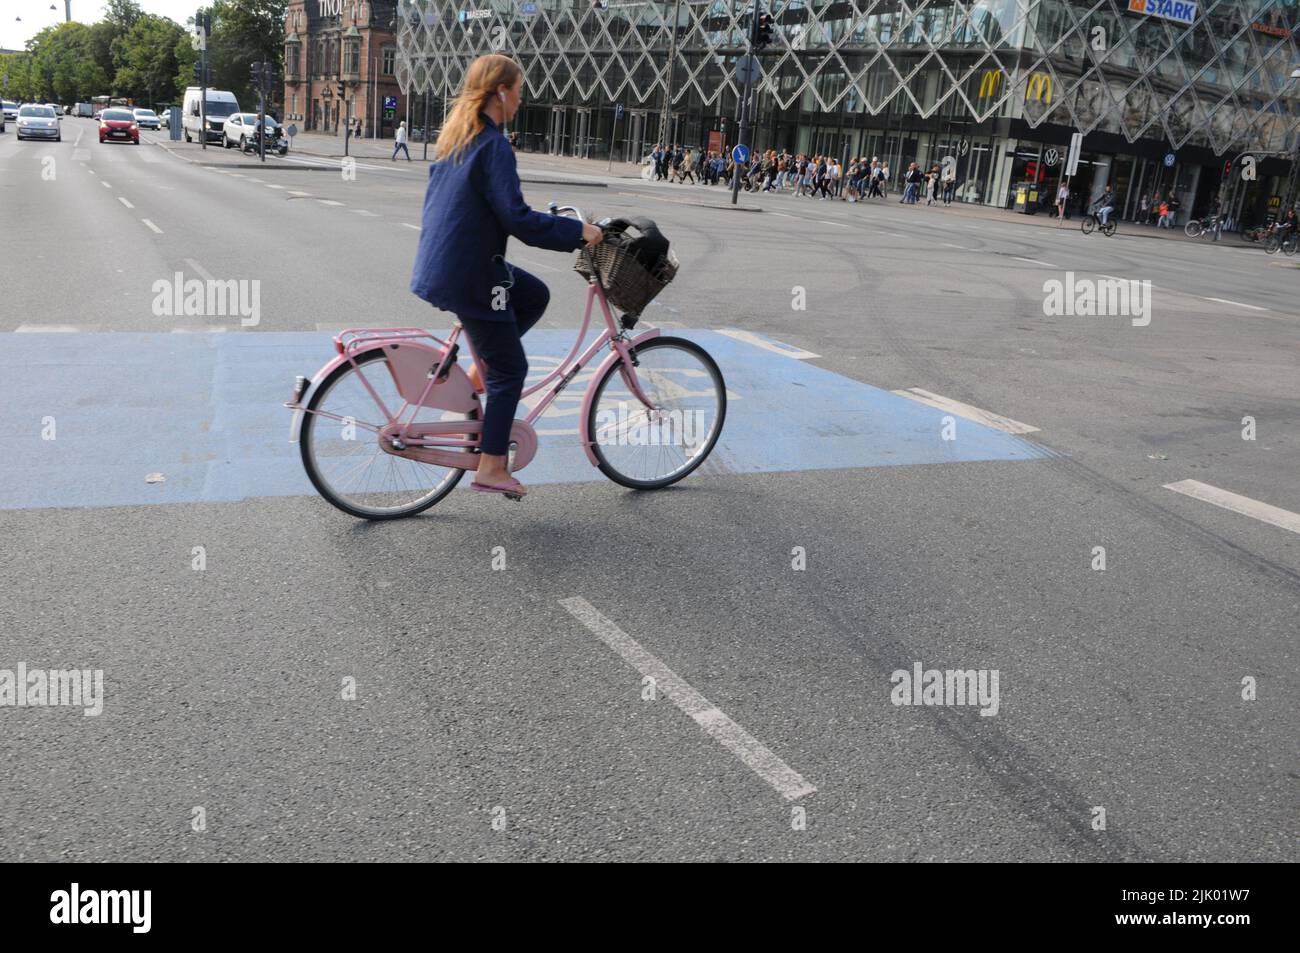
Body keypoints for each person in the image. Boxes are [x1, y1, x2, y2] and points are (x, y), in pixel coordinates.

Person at [410, 53, 604, 498]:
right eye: (518, 89)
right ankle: (491, 466)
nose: (521, 98)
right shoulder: (493, 144)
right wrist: (580, 232)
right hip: (472, 274)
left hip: (447, 265)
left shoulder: (459, 137)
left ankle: (482, 375)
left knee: (533, 294)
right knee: (511, 370)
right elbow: (517, 219)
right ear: (501, 91)